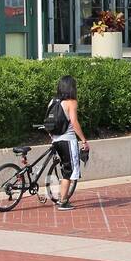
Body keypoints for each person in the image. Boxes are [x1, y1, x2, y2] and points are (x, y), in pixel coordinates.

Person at [47, 75, 88, 212]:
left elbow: (49, 122)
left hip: (56, 140)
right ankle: (63, 201)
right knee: (68, 172)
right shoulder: (71, 102)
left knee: (65, 168)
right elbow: (74, 123)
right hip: (68, 140)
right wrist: (83, 139)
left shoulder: (53, 101)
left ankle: (61, 197)